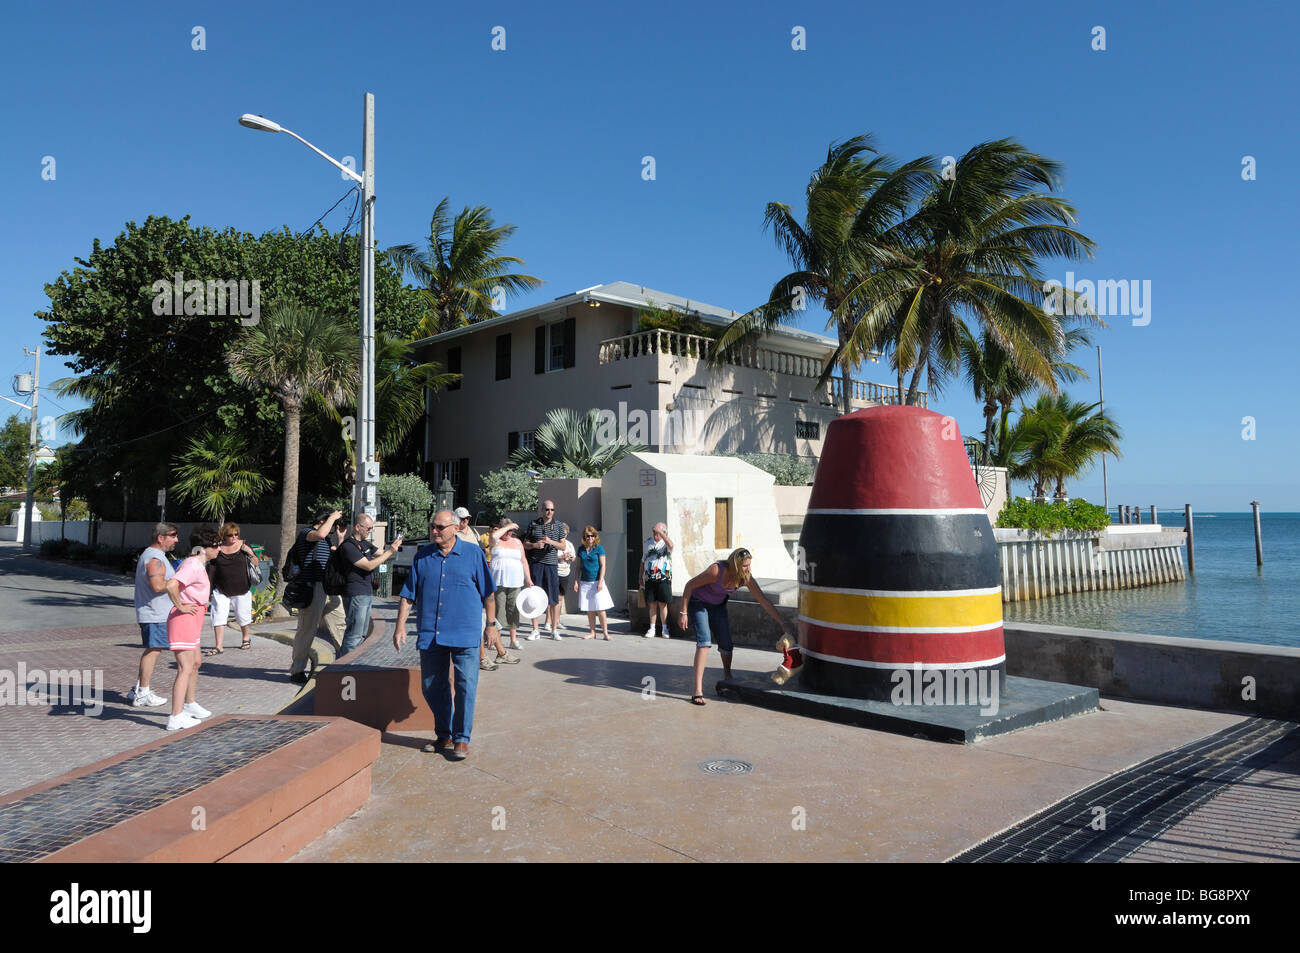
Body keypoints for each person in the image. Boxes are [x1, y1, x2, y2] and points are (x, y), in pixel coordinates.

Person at [394, 510, 498, 761]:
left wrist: (491, 625)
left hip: (465, 633)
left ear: (454, 528)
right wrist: (399, 627)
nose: (434, 531)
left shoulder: (473, 554)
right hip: (431, 633)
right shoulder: (423, 556)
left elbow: (489, 594)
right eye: (433, 526)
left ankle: (461, 738)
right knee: (431, 686)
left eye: (440, 527)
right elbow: (408, 595)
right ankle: (445, 733)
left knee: (465, 686)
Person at [678, 547, 792, 706]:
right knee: (704, 642)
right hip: (699, 603)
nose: (748, 569)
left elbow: (763, 601)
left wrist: (782, 622)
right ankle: (697, 690)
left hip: (718, 606)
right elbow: (689, 585)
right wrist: (683, 612)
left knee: (726, 643)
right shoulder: (716, 571)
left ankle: (727, 675)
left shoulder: (745, 578)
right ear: (736, 564)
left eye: (749, 565)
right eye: (745, 566)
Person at [163, 526, 222, 730]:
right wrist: (180, 605)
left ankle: (189, 704)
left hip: (193, 617)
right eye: (215, 545)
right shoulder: (193, 565)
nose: (219, 548)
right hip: (184, 618)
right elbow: (171, 585)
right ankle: (175, 716)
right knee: (185, 668)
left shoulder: (198, 564)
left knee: (195, 662)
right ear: (203, 548)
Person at [289, 509, 347, 684]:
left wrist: (340, 539)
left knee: (341, 624)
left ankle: (347, 663)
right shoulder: (307, 533)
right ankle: (297, 670)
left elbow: (336, 555)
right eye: (331, 521)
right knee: (307, 629)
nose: (333, 526)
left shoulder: (327, 538)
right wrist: (333, 517)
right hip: (312, 587)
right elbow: (320, 534)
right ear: (323, 520)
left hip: (328, 588)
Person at [128, 523, 179, 708]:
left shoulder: (155, 556)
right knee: (153, 650)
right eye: (173, 535)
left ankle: (138, 689)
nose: (176, 539)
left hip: (155, 613)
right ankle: (142, 693)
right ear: (161, 537)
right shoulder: (154, 558)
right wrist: (175, 582)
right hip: (154, 614)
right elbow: (157, 586)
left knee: (153, 649)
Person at [338, 513, 402, 658]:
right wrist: (390, 551)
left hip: (365, 592)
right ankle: (342, 668)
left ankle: (352, 663)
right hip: (355, 593)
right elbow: (368, 565)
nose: (370, 531)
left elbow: (383, 554)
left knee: (361, 634)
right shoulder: (349, 546)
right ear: (357, 527)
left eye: (372, 528)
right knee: (354, 634)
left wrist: (393, 547)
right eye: (368, 528)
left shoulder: (365, 544)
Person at [206, 522, 257, 656]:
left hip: (241, 587)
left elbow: (256, 563)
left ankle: (245, 637)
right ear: (224, 535)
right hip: (221, 588)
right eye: (230, 535)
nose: (234, 537)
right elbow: (212, 570)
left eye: (236, 534)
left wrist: (250, 552)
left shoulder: (244, 546)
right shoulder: (217, 549)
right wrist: (209, 590)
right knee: (218, 615)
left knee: (242, 615)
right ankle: (218, 646)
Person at [524, 499, 568, 639]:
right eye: (547, 509)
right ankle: (535, 629)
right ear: (542, 510)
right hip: (536, 564)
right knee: (534, 597)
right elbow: (525, 543)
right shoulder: (533, 524)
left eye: (552, 510)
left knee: (553, 598)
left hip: (551, 565)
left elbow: (563, 546)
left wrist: (550, 542)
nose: (549, 512)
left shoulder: (559, 525)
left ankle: (554, 629)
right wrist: (535, 546)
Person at [489, 518, 532, 651]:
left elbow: (524, 561)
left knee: (513, 610)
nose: (509, 533)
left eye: (511, 531)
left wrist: (528, 579)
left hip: (515, 581)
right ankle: (498, 641)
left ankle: (513, 640)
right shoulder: (495, 541)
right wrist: (507, 527)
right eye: (507, 530)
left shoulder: (518, 542)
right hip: (498, 582)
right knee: (499, 611)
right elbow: (494, 535)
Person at [573, 526, 614, 639]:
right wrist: (576, 581)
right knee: (589, 609)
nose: (590, 538)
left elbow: (603, 565)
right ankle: (592, 632)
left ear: (595, 537)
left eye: (592, 536)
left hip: (596, 581)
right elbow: (578, 567)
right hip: (585, 582)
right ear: (584, 537)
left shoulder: (599, 548)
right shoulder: (581, 549)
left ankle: (605, 633)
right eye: (588, 536)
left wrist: (600, 581)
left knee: (600, 608)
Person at [639, 522, 674, 638]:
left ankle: (665, 629)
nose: (655, 534)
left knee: (663, 604)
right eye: (654, 532)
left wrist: (662, 534)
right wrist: (640, 576)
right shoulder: (648, 543)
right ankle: (652, 628)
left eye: (657, 532)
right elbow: (643, 560)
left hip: (664, 577)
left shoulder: (666, 543)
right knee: (652, 604)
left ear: (664, 532)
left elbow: (671, 545)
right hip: (650, 577)